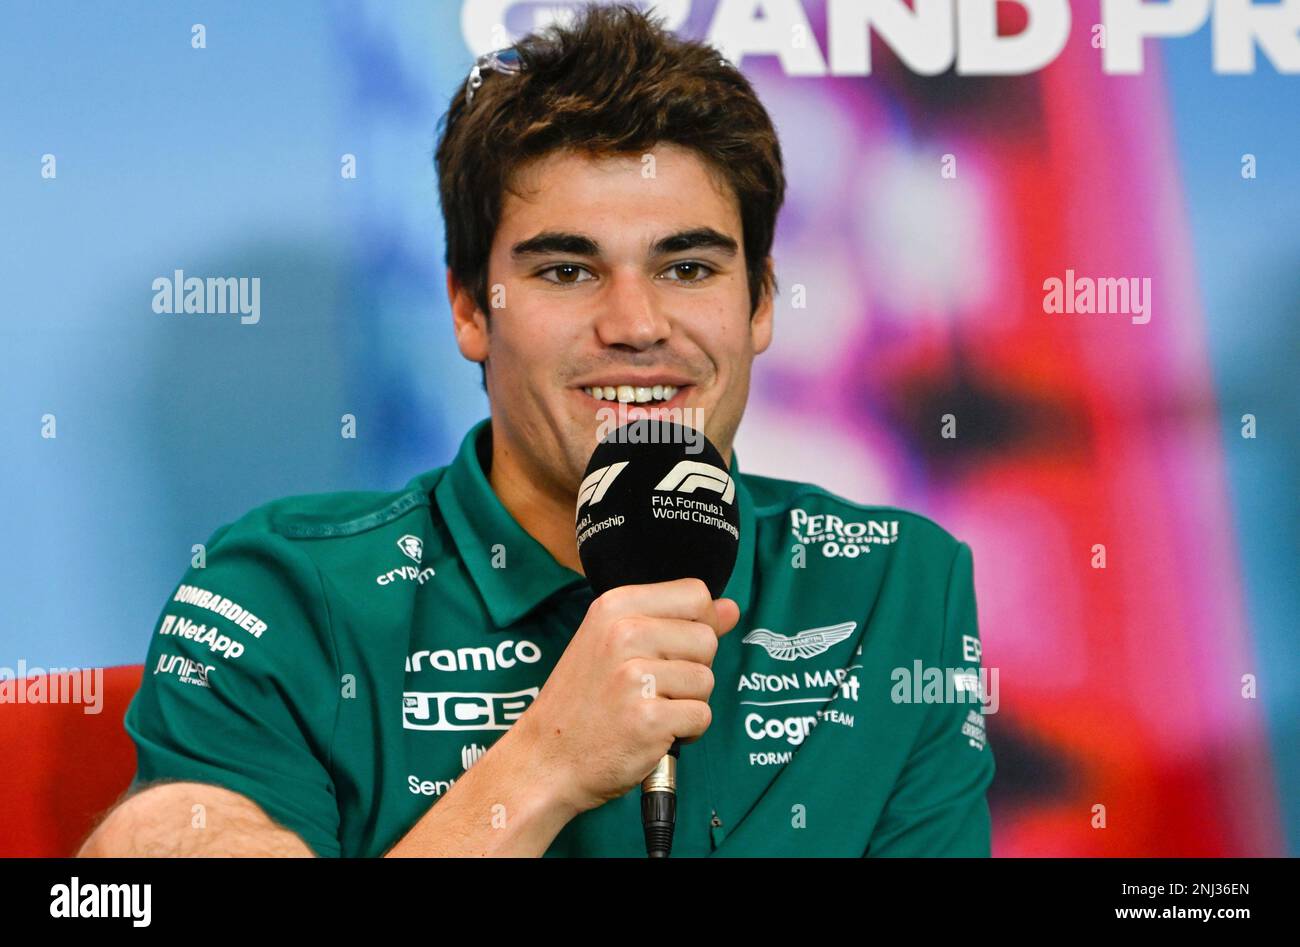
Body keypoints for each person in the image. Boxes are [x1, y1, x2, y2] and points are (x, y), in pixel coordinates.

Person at [79, 3, 993, 858]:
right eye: (566, 270)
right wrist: (544, 765)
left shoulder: (895, 584)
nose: (637, 323)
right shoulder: (284, 593)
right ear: (472, 308)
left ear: (760, 303)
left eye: (687, 266)